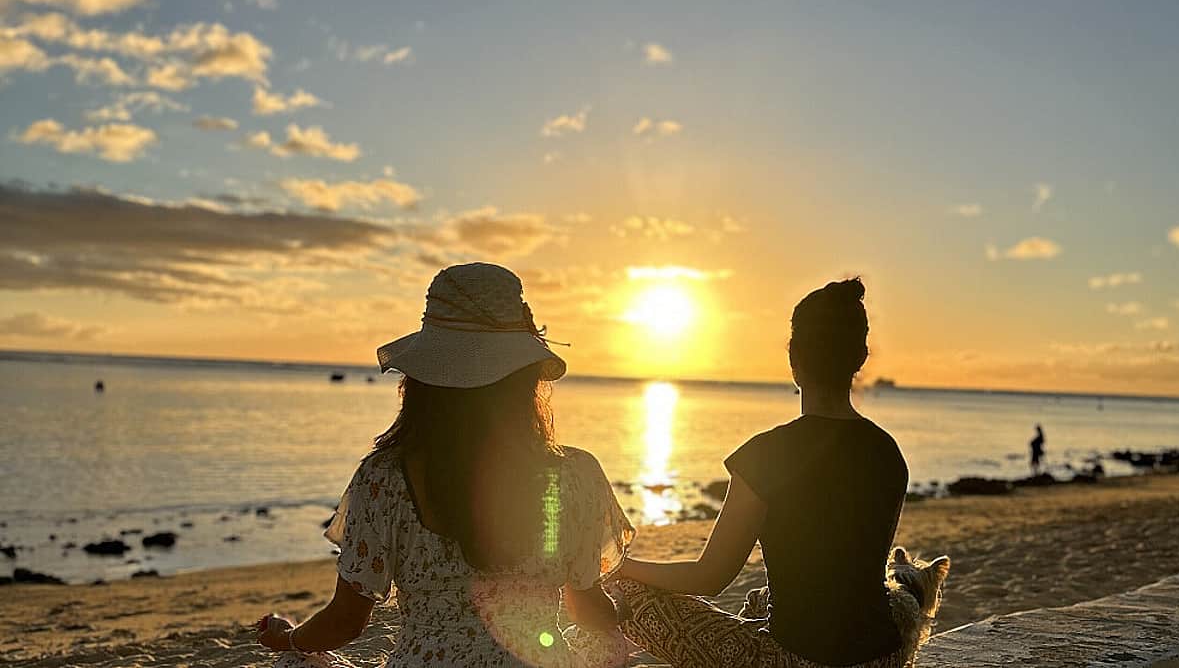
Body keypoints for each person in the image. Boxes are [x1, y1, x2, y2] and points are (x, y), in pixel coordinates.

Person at [256, 263, 635, 667]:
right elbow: (587, 609)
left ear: (422, 377)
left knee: (295, 663)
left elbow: (346, 623)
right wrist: (628, 612)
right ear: (526, 376)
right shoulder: (576, 474)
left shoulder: (384, 477)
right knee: (604, 646)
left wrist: (289, 638)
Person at [611, 278, 909, 667]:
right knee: (760, 600)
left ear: (794, 361)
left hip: (795, 660)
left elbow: (710, 578)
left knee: (625, 592)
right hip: (882, 659)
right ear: (860, 358)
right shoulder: (887, 452)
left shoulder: (769, 453)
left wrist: (619, 565)